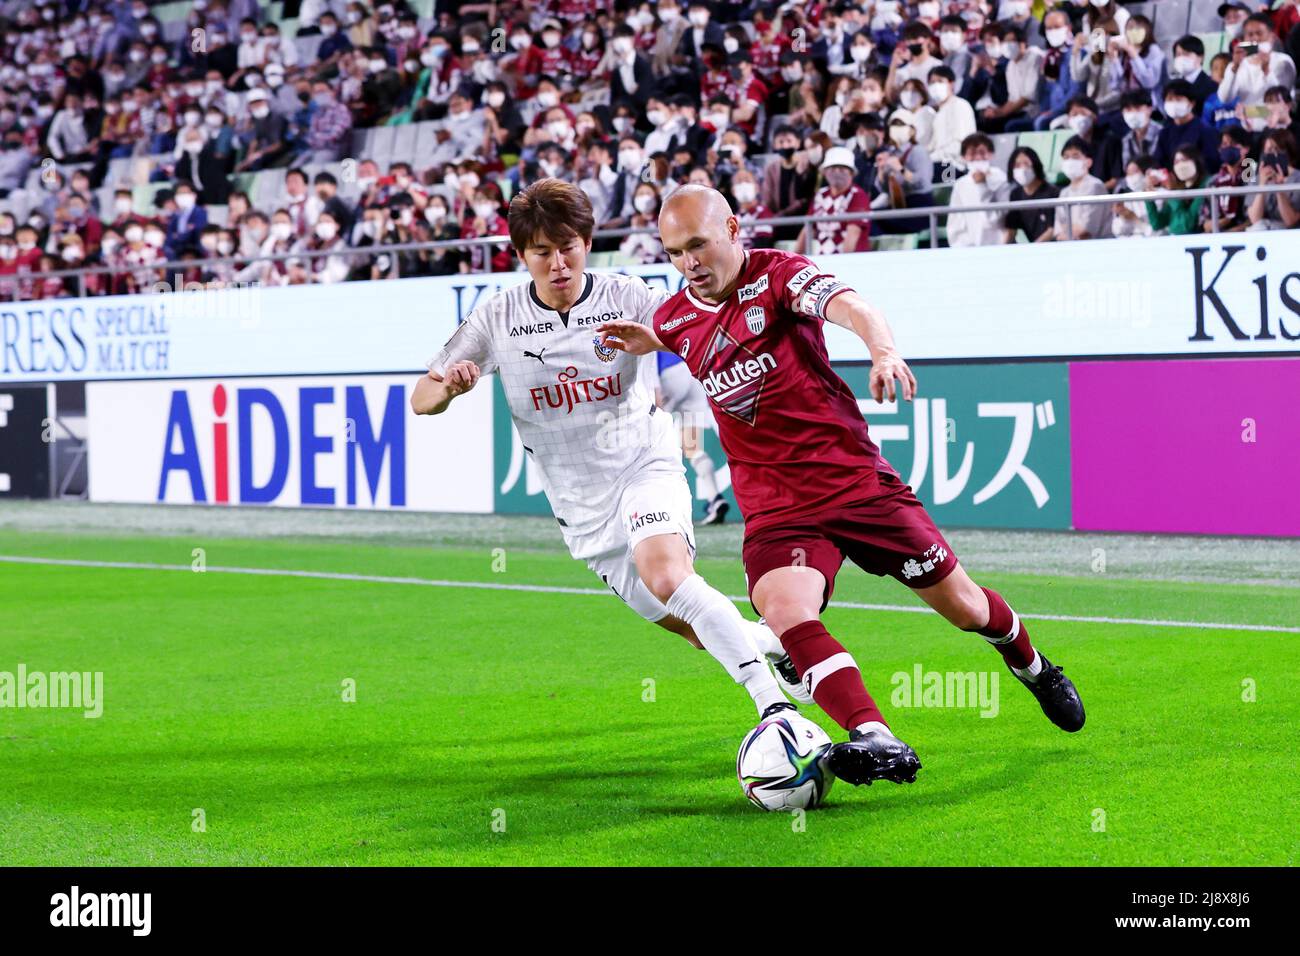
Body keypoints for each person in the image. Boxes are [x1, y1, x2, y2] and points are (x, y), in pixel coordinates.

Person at [597, 185, 1086, 789]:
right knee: (784, 612)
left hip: (857, 487)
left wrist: (882, 352)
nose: (689, 262)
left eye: (698, 244)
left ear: (732, 226)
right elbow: (677, 332)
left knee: (966, 606)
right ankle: (875, 735)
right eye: (675, 252)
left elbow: (854, 307)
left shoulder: (781, 278)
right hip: (777, 511)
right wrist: (647, 338)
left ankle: (1033, 667)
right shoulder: (673, 315)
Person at [411, 178, 808, 721]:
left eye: (568, 247)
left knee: (668, 576)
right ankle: (777, 644)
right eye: (542, 253)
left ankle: (776, 712)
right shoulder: (496, 318)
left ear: (587, 242)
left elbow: (702, 325)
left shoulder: (628, 296)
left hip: (644, 463)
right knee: (692, 627)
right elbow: (421, 397)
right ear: (522, 255)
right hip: (581, 509)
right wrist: (450, 389)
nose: (558, 264)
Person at [646, 350, 730, 525]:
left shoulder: (640, 326)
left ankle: (657, 508)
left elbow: (651, 370)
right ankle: (715, 498)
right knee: (692, 446)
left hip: (668, 376)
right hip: (690, 374)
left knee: (652, 442)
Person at [946, 132, 1011, 247]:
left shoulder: (1001, 179)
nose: (977, 158)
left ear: (991, 154)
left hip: (999, 245)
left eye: (982, 152)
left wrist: (983, 186)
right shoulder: (961, 185)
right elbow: (955, 221)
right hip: (969, 248)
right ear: (964, 157)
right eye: (972, 153)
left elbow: (1003, 218)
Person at [1053, 136, 1112, 240]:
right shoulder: (1064, 192)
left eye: (1075, 156)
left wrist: (1068, 232)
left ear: (1088, 162)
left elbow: (1086, 229)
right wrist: (1065, 234)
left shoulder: (1095, 186)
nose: (1070, 161)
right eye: (1066, 157)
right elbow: (1058, 231)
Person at [1143, 146, 1209, 236]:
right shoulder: (1178, 188)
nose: (1180, 165)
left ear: (1196, 160)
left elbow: (1187, 225)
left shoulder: (1206, 185)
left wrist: (1170, 194)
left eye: (1184, 160)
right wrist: (1149, 197)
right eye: (1176, 162)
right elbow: (1157, 224)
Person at [1005, 145, 1059, 242]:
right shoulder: (1015, 194)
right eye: (1017, 165)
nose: (1022, 169)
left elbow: (1053, 229)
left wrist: (1033, 249)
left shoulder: (1052, 192)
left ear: (1035, 165)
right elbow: (1011, 230)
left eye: (1026, 163)